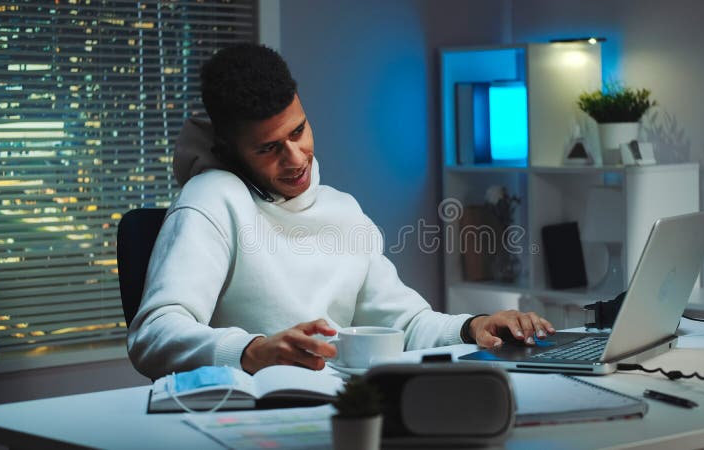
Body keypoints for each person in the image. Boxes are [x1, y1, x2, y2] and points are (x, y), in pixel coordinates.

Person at [127, 43, 554, 380]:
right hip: (253, 416)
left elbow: (405, 324)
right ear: (230, 149)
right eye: (268, 148)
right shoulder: (211, 200)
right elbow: (154, 333)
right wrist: (254, 351)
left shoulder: (342, 209)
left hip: (341, 405)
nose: (296, 158)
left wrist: (474, 326)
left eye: (298, 131)